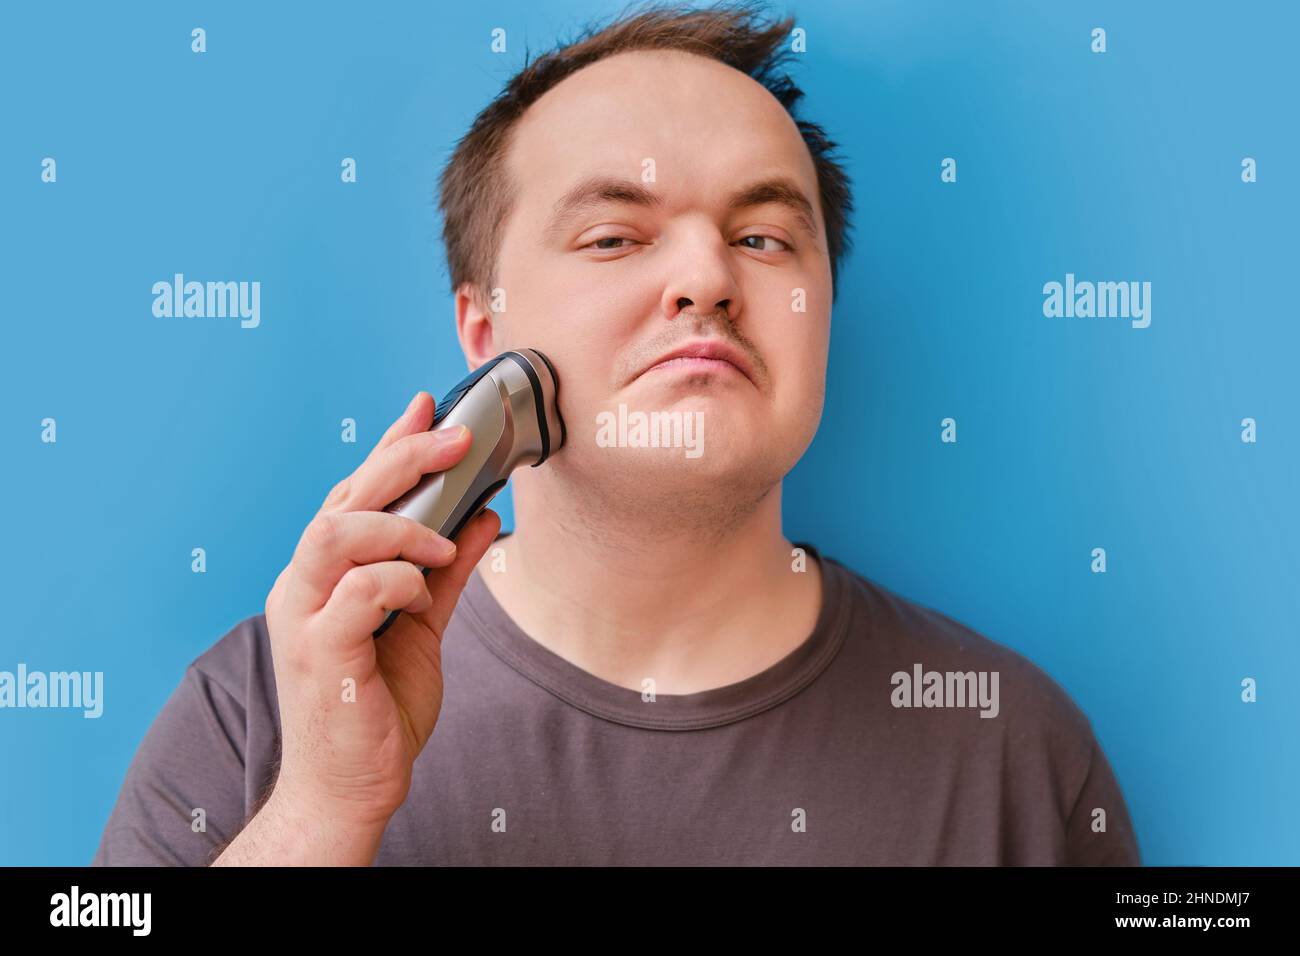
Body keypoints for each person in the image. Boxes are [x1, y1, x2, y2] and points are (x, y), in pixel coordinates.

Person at [92, 1, 1140, 866]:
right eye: (612, 237)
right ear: (485, 331)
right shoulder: (262, 709)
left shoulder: (1016, 751)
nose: (704, 279)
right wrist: (320, 810)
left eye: (763, 237)